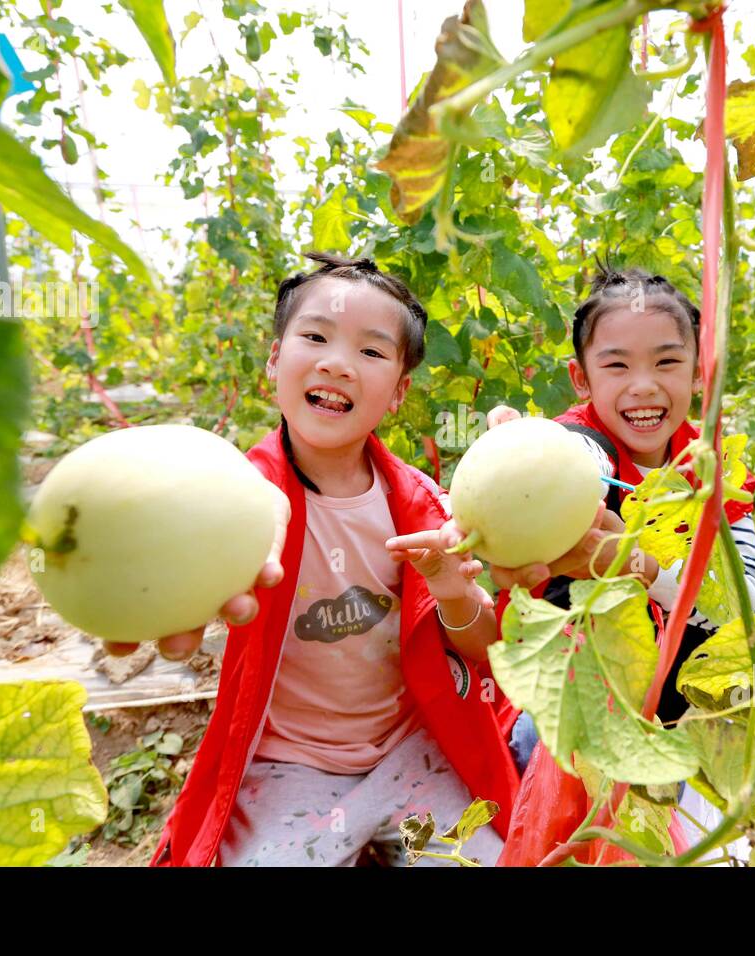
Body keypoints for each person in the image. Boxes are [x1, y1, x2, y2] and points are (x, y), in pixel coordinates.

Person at [116, 252, 517, 867]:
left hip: (411, 754)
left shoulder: (420, 506)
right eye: (315, 337)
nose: (338, 363)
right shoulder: (236, 500)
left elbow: (483, 650)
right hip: (286, 766)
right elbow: (170, 547)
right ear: (276, 360)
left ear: (399, 391)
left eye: (372, 351)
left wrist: (453, 591)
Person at [460, 265, 755, 866]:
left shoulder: (717, 473)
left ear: (699, 372)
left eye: (666, 362)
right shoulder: (577, 451)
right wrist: (517, 453)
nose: (643, 386)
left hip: (691, 701)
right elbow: (568, 460)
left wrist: (643, 567)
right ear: (580, 380)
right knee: (553, 768)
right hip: (584, 705)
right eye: (617, 366)